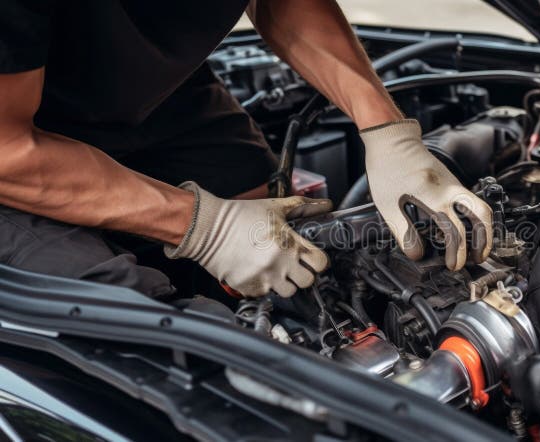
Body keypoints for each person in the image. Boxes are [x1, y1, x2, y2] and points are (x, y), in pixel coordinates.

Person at [0, 0, 493, 299]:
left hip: (152, 90)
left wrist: (387, 133)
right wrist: (205, 227)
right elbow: (9, 151)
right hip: (17, 147)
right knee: (133, 313)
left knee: (283, 224)